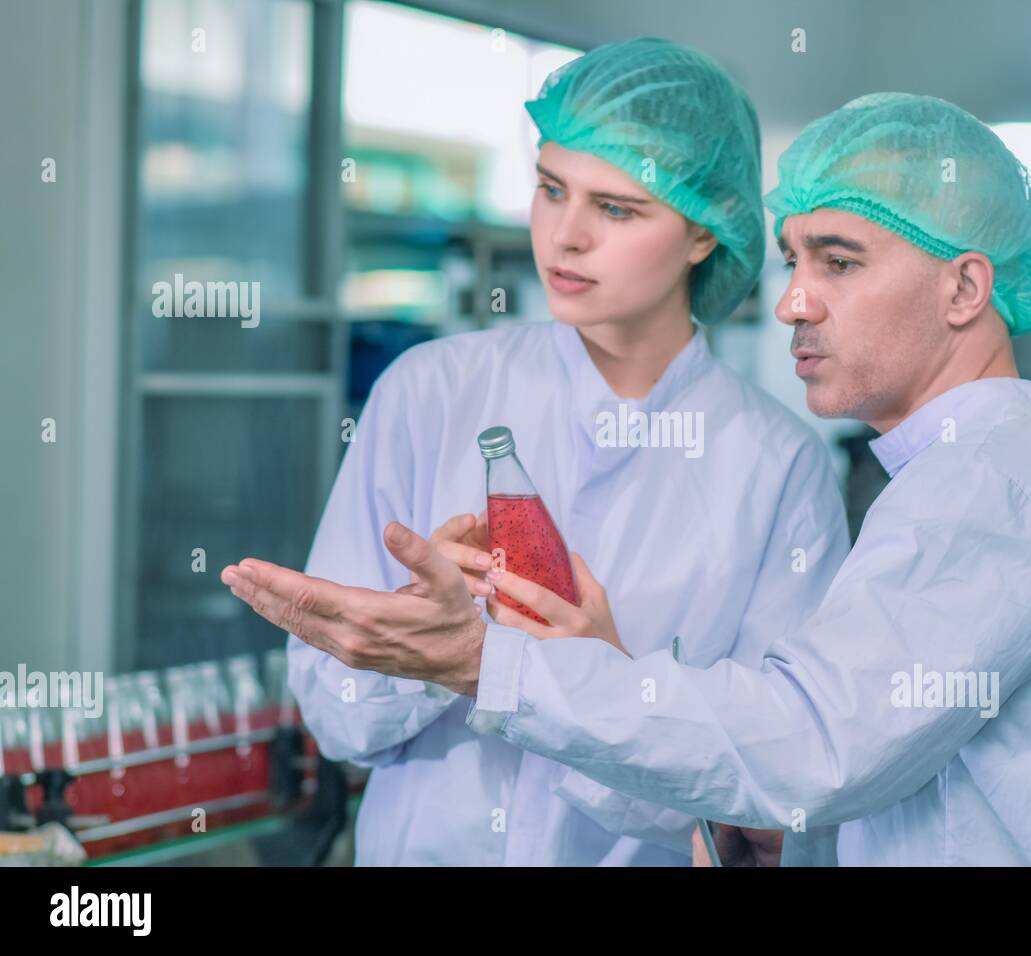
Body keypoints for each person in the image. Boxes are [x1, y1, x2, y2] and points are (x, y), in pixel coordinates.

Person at [226, 93, 1031, 866]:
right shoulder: (966, 477)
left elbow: (808, 745)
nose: (793, 301)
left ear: (965, 289)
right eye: (794, 259)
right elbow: (842, 783)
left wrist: (492, 663)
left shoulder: (985, 490)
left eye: (839, 262)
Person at [249, 38, 849, 866]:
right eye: (551, 189)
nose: (565, 237)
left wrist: (599, 684)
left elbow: (767, 803)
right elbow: (335, 716)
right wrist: (430, 651)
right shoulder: (430, 392)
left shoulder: (777, 468)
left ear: (704, 234)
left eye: (617, 209)